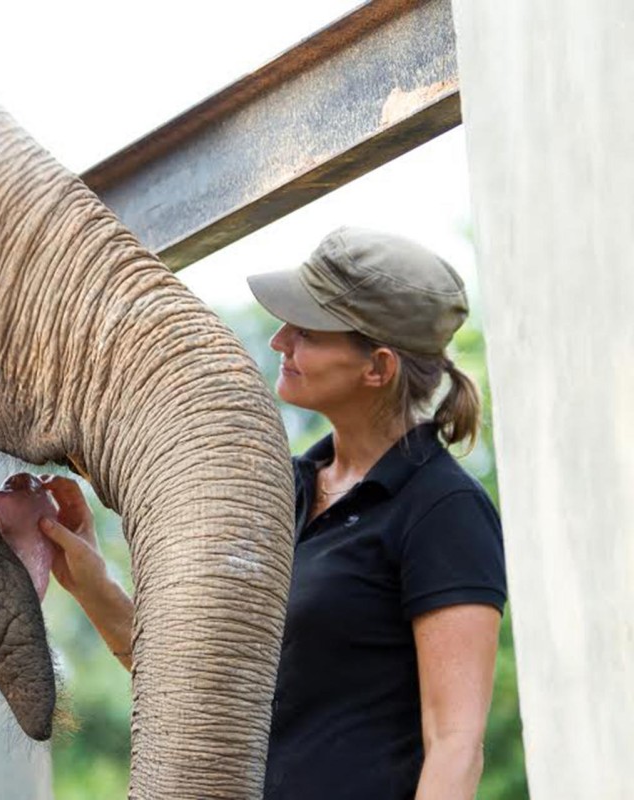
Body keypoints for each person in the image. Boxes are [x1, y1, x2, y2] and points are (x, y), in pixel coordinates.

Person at [38, 226, 507, 800]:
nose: (280, 339)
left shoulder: (443, 509)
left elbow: (456, 744)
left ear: (377, 367)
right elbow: (205, 691)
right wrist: (91, 583)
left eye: (307, 331)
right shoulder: (279, 487)